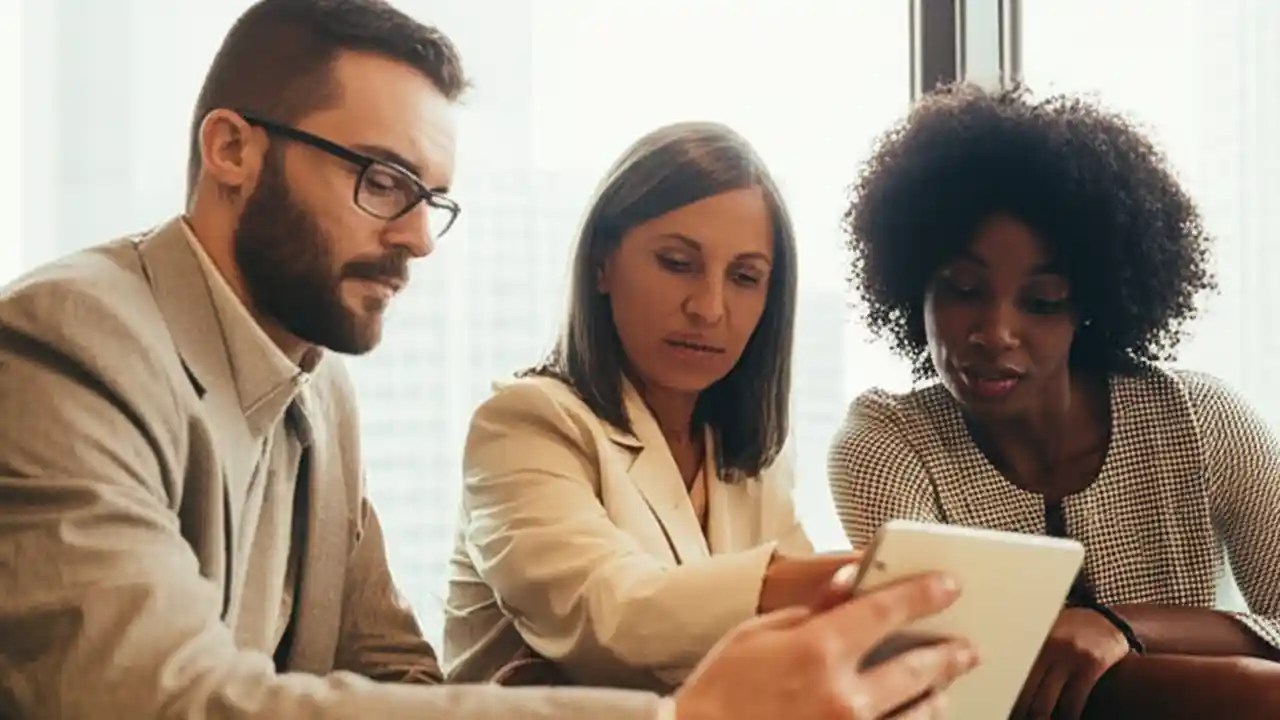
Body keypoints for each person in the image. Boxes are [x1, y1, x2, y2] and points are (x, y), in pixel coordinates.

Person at [0, 1, 979, 718]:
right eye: (384, 182)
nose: (420, 240)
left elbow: (390, 671)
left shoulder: (318, 389)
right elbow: (152, 703)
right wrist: (682, 719)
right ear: (231, 150)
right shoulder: (70, 340)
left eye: (432, 199)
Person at [828, 83, 1280, 720]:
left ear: (1089, 308)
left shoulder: (1199, 421)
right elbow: (958, 680)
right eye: (962, 289)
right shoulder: (887, 444)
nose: (995, 332)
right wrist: (1240, 684)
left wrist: (1117, 626)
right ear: (914, 287)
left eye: (1041, 302)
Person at [443, 121, 859, 690]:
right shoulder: (526, 423)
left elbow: (802, 649)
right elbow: (609, 617)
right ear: (601, 265)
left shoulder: (751, 453)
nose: (709, 307)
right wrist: (859, 579)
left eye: (744, 276)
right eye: (677, 263)